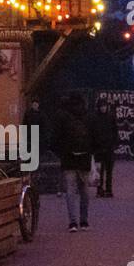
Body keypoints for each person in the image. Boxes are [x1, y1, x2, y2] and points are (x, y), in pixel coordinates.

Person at [53, 91, 93, 231]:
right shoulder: (88, 116)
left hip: (68, 158)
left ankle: (72, 222)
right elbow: (94, 136)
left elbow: (56, 138)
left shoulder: (63, 116)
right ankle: (84, 221)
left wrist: (61, 153)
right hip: (84, 158)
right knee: (85, 191)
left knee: (70, 191)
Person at [90, 97, 119, 197]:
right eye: (101, 106)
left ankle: (109, 189)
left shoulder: (110, 117)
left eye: (104, 106)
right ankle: (100, 189)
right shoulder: (94, 118)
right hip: (99, 148)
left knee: (109, 170)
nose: (103, 108)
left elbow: (115, 131)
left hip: (109, 147)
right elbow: (93, 133)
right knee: (99, 171)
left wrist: (114, 143)